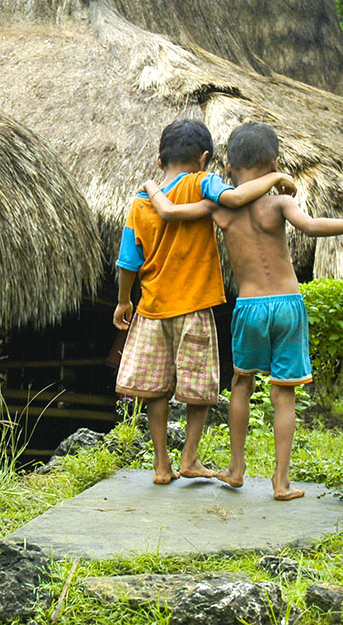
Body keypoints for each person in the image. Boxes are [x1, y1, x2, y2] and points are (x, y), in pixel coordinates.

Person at [144, 121, 343, 499]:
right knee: (284, 394)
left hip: (249, 306)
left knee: (241, 383)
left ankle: (235, 469)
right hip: (287, 303)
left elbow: (170, 213)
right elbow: (313, 226)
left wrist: (152, 188)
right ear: (276, 163)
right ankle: (281, 482)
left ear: (228, 168)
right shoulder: (281, 201)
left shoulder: (219, 208)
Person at [115, 119, 296, 485]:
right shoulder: (203, 184)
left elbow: (127, 263)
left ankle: (162, 464)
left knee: (155, 389)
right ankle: (190, 458)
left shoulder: (139, 203)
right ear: (204, 158)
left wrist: (123, 302)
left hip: (151, 309)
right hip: (194, 305)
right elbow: (235, 197)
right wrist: (276, 179)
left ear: (158, 158)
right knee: (198, 388)